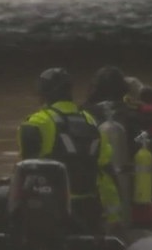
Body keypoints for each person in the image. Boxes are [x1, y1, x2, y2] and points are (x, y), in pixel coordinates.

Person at [17, 67, 122, 234]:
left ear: (44, 93)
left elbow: (25, 174)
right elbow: (106, 174)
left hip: (51, 211)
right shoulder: (91, 122)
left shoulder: (36, 122)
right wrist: (114, 218)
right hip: (89, 210)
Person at [82, 65, 152, 212]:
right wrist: (145, 92)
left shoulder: (79, 117)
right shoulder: (138, 115)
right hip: (137, 203)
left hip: (90, 202)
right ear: (125, 90)